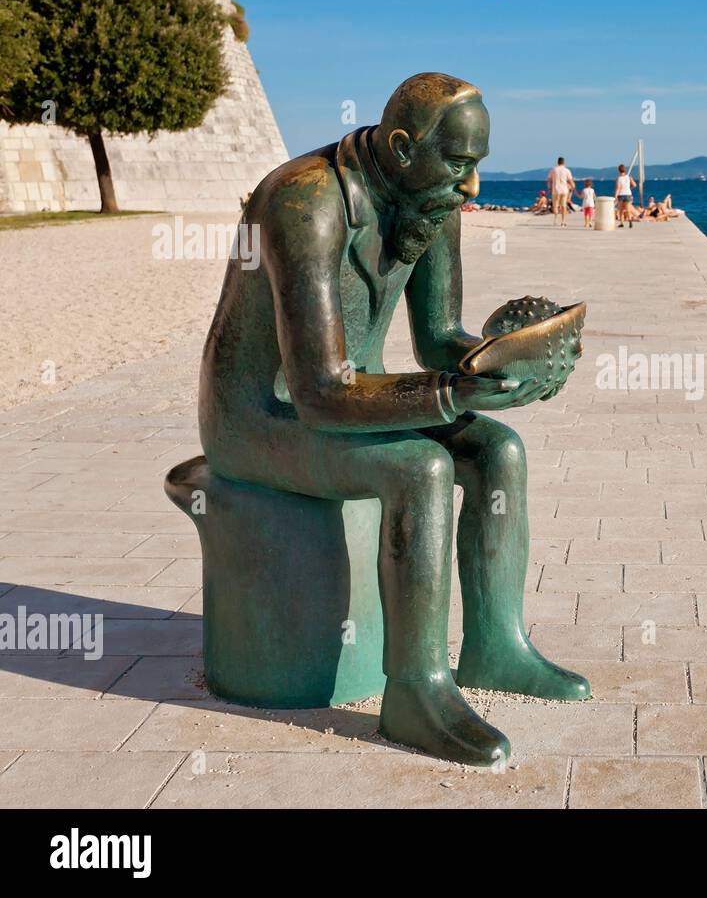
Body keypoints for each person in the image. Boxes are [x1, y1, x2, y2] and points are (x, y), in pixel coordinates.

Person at [199, 73, 590, 766]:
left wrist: (509, 363)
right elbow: (319, 392)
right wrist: (449, 392)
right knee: (421, 468)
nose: (471, 186)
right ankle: (415, 689)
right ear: (404, 147)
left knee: (498, 450)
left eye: (478, 165)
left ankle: (496, 647)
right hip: (263, 419)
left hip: (351, 397)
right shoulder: (305, 204)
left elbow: (438, 336)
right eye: (460, 163)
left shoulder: (428, 196)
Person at [546, 156, 575, 226]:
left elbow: (549, 180)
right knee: (563, 206)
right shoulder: (567, 170)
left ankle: (555, 219)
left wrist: (549, 188)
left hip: (555, 190)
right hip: (564, 190)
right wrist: (573, 187)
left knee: (555, 205)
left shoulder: (553, 170)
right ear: (564, 162)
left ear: (557, 162)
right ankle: (563, 221)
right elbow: (571, 181)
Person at [614, 163, 636, 227]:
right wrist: (629, 188)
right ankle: (630, 220)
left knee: (620, 210)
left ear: (619, 170)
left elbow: (618, 188)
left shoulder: (619, 178)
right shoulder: (629, 177)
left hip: (621, 195)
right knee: (628, 209)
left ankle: (621, 223)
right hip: (628, 194)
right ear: (625, 170)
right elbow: (634, 185)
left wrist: (615, 196)